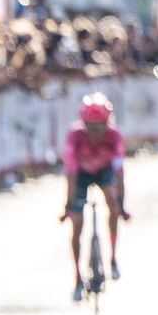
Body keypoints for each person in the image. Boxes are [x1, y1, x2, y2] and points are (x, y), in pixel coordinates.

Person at [63, 91, 126, 299]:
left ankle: (113, 259)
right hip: (81, 174)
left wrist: (121, 206)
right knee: (77, 222)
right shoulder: (75, 136)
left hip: (103, 171)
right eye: (91, 127)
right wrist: (68, 206)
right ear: (84, 124)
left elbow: (119, 174)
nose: (96, 133)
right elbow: (71, 174)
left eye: (100, 128)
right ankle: (77, 278)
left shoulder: (115, 136)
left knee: (112, 201)